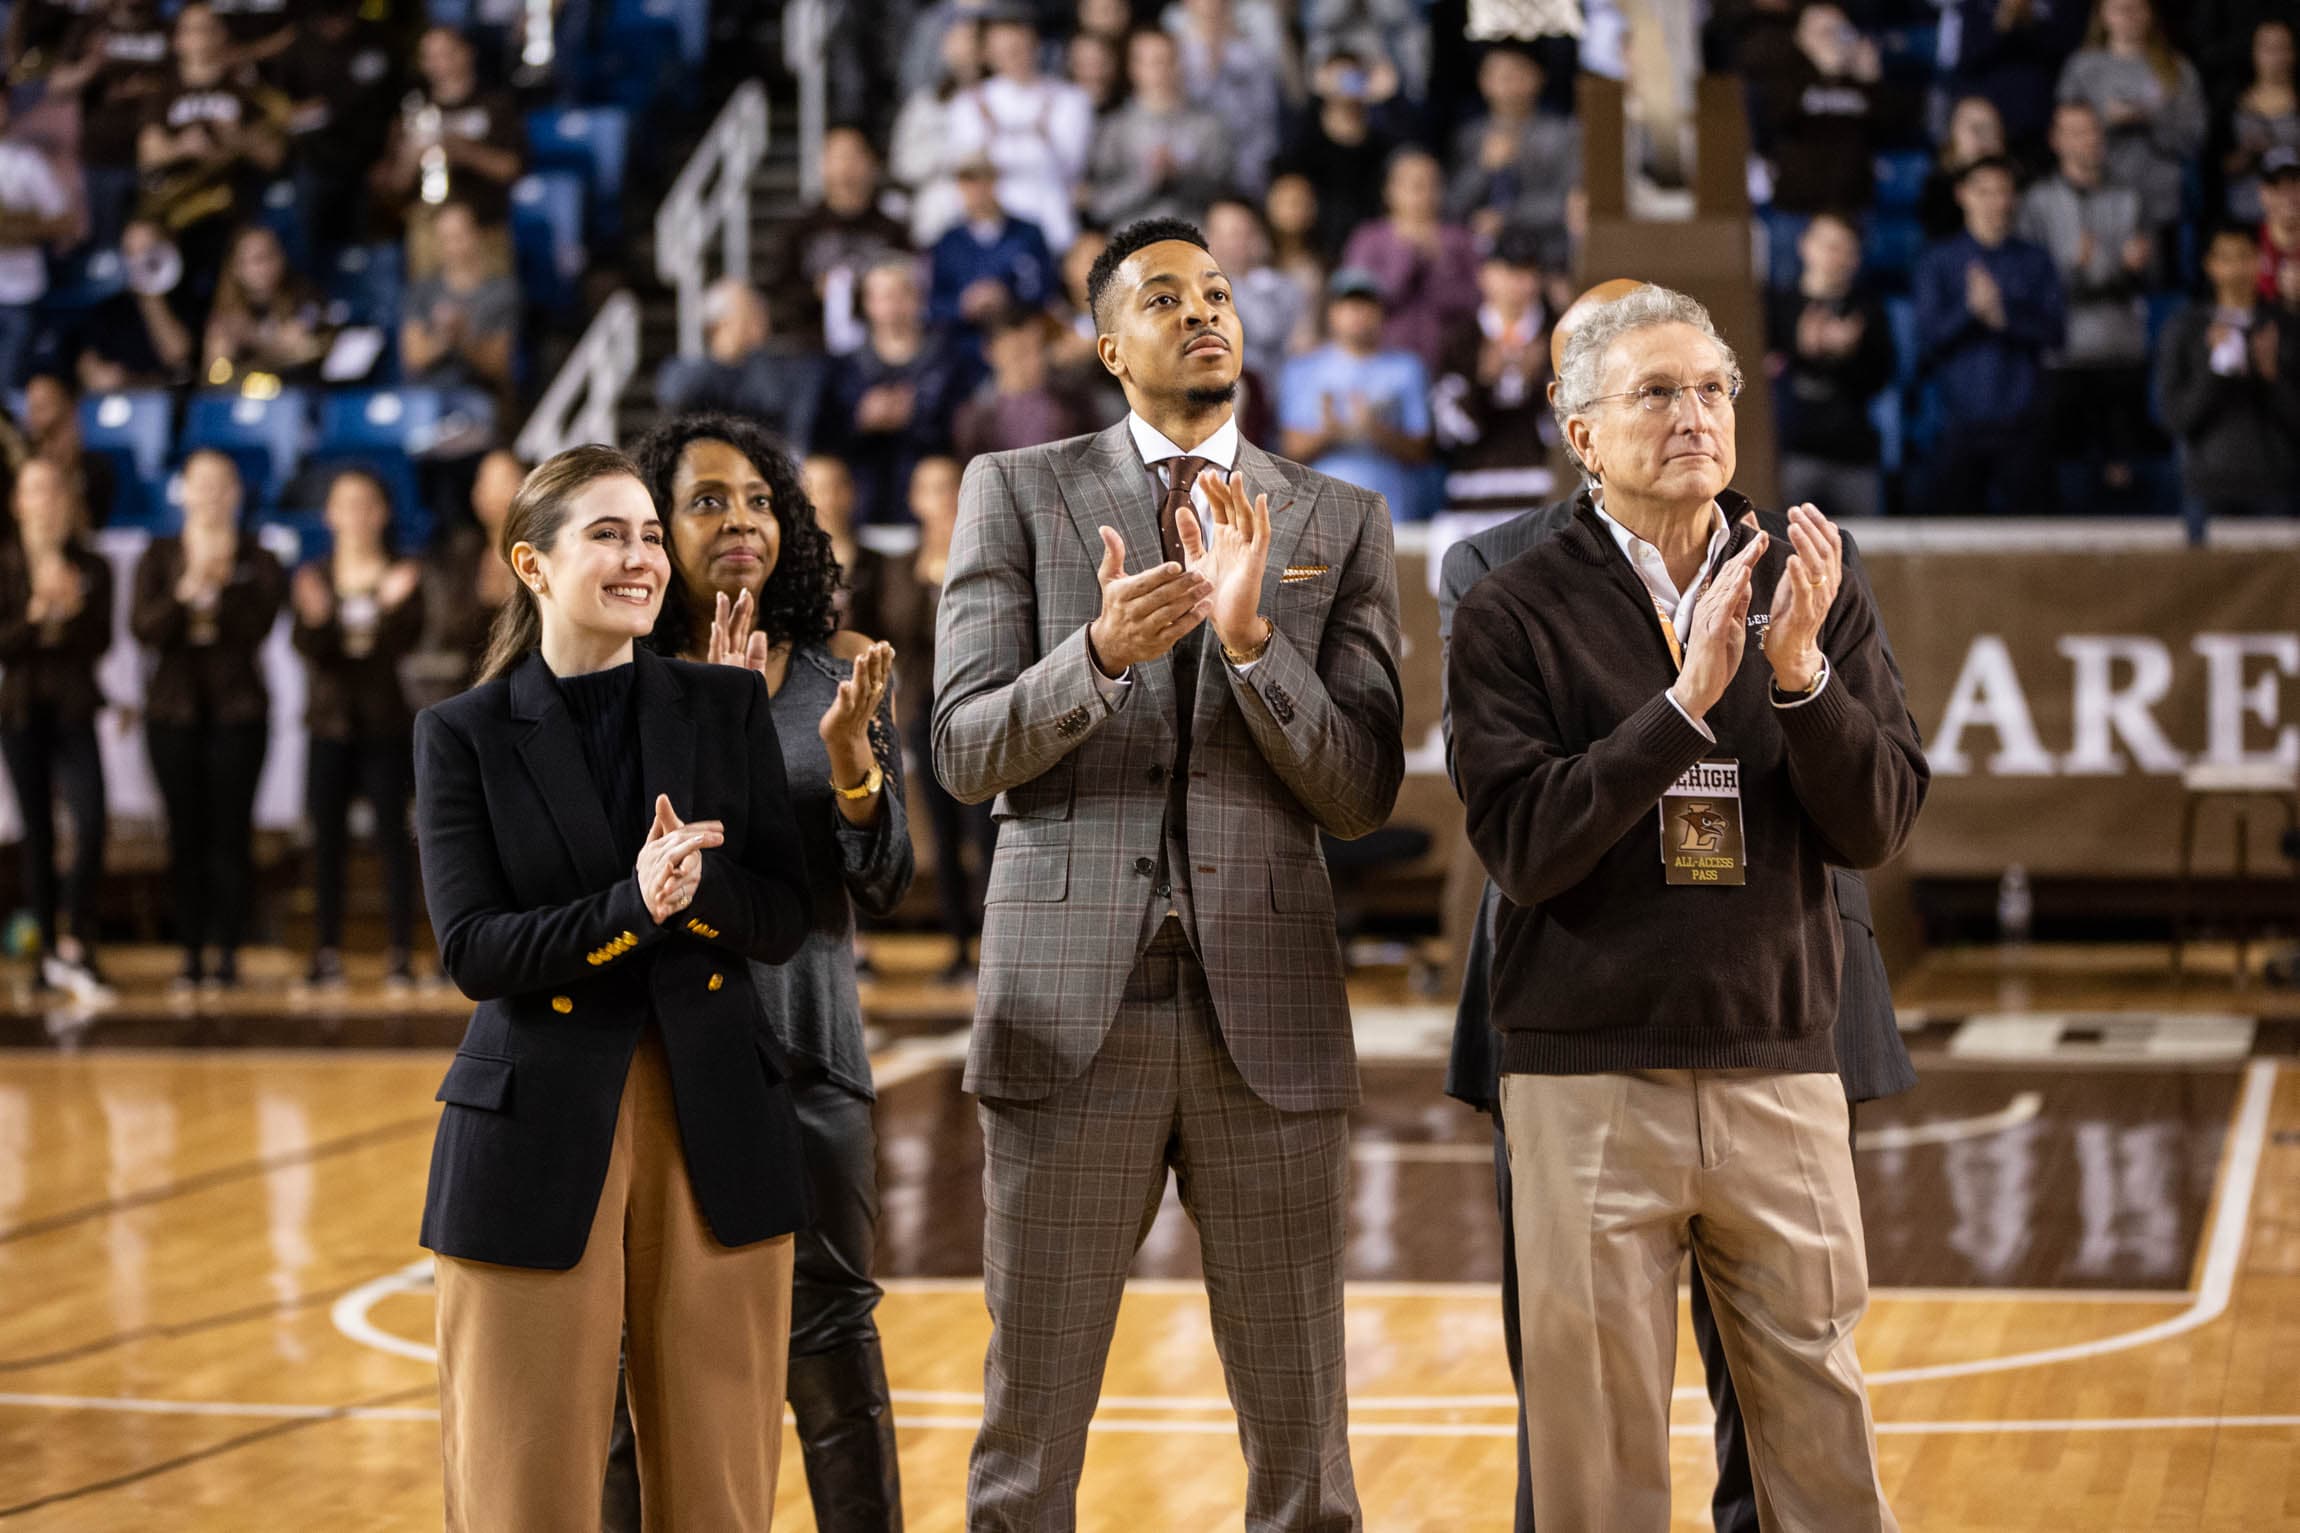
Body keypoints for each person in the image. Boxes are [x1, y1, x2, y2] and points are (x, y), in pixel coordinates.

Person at [934, 214, 1403, 1532]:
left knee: (1306, 1456)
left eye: (1217, 293)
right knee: (1028, 1442)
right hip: (1068, 1014)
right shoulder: (1013, 490)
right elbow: (961, 750)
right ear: (1107, 347)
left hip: (1271, 1014)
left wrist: (1253, 645)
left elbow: (1359, 792)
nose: (1201, 313)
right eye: (1162, 297)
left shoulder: (1340, 519)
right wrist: (1093, 656)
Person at [1440, 276, 1922, 1533]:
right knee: (1595, 1468)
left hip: (1778, 1060)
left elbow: (1876, 821)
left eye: (1711, 388)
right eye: (1654, 392)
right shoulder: (1507, 605)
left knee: (1820, 1456)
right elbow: (1524, 846)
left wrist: (1800, 679)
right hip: (1587, 1073)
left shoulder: (1809, 576)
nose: (1694, 415)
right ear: (1581, 432)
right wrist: (1680, 710)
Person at [413, 444, 814, 1532]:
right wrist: (630, 908)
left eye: (648, 535)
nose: (641, 558)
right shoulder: (460, 734)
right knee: (519, 1494)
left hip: (715, 1119)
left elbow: (783, 915)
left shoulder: (724, 705)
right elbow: (476, 951)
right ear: (532, 564)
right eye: (607, 535)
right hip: (532, 1126)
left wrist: (694, 893)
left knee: (722, 1499)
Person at [593, 414, 913, 1533]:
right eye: (707, 501)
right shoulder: (612, 683)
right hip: (655, 1062)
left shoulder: (838, 671)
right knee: (630, 1351)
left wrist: (855, 771)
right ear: (651, 531)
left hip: (807, 1050)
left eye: (760, 501)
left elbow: (886, 882)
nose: (741, 522)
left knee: (829, 1339)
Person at [131, 449, 285, 991]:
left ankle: (228, 953)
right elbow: (145, 630)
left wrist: (224, 588)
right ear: (184, 491)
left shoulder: (258, 556)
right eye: (202, 483)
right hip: (172, 713)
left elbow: (259, 627)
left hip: (238, 712)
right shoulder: (159, 555)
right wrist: (188, 588)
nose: (212, 494)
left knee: (231, 833)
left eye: (223, 483)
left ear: (236, 493)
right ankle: (190, 952)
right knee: (184, 833)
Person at [291, 469, 425, 990]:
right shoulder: (314, 576)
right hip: (328, 724)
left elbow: (404, 642)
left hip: (384, 724)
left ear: (382, 513)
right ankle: (326, 951)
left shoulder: (403, 573)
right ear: (329, 514)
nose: (356, 514)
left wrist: (384, 610)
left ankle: (401, 953)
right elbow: (312, 650)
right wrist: (321, 620)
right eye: (344, 503)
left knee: (394, 840)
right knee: (326, 841)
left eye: (366, 503)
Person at [0, 459, 115, 1002]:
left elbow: (102, 642)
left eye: (55, 491)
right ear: (18, 503)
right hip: (21, 712)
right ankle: (47, 951)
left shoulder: (92, 564)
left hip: (74, 711)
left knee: (91, 822)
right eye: (36, 491)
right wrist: (35, 613)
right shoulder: (5, 563)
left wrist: (71, 611)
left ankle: (78, 940)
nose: (46, 502)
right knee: (37, 833)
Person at [2019, 99, 2158, 503]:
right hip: (2063, 355)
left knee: (2123, 482)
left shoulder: (2130, 197)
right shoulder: (2037, 202)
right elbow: (2029, 286)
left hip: (2121, 351)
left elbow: (2156, 276)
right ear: (2056, 140)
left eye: (2094, 130)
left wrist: (2137, 268)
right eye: (2077, 132)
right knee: (2063, 476)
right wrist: (2074, 269)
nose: (2089, 140)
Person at [1915, 156, 2067, 513]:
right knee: (1952, 529)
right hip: (1957, 423)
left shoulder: (2035, 260)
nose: (1994, 201)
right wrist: (1970, 312)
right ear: (1962, 195)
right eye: (1983, 192)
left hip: (2022, 424)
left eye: (2002, 192)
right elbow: (1928, 339)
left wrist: (2003, 317)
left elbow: (2056, 333)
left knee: (2032, 529)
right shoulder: (1938, 260)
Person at [135, 1, 289, 300]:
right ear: (178, 40)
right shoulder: (164, 90)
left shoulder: (245, 91)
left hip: (233, 213)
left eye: (207, 29)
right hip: (176, 213)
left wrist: (240, 138)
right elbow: (147, 153)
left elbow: (275, 157)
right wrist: (182, 146)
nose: (200, 38)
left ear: (222, 35)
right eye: (192, 30)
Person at [2159, 222, 2300, 529]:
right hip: (2209, 487)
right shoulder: (2186, 329)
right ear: (2210, 265)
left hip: (2275, 487)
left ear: (2259, 261)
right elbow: (2175, 418)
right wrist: (2214, 372)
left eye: (2245, 256)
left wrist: (2271, 375)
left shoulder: (2285, 327)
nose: (2236, 268)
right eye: (2227, 258)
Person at [824, 257, 972, 526]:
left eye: (899, 294)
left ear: (917, 299)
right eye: (882, 296)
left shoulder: (947, 359)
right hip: (864, 492)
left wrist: (915, 415)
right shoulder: (847, 365)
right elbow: (829, 434)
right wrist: (861, 419)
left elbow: (961, 429)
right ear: (868, 303)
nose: (891, 306)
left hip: (932, 496)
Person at [1279, 267, 1435, 522]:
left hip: (1391, 511)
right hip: (1322, 514)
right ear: (1332, 313)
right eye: (1349, 305)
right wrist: (1330, 433)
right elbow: (1289, 448)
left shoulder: (1407, 368)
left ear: (1381, 313)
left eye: (1367, 305)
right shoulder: (1302, 369)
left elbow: (1421, 450)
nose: (1359, 313)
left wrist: (1376, 430)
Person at [1767, 211, 1896, 519]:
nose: (1834, 256)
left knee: (1862, 546)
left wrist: (1844, 356)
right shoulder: (1776, 305)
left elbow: (1881, 379)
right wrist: (1803, 351)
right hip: (1791, 451)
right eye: (1828, 245)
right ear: (1805, 245)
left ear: (1856, 258)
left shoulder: (1867, 310)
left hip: (1853, 456)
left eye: (1844, 248)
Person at [943, 9, 1094, 252]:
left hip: (1052, 221)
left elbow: (1071, 167)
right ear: (988, 53)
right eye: (1005, 51)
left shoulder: (1071, 98)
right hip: (993, 227)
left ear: (1036, 44)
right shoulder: (967, 103)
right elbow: (969, 168)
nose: (1014, 57)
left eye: (1020, 48)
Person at [1433, 232, 1558, 518]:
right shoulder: (1461, 340)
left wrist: (1541, 386)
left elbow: (1574, 430)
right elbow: (1448, 431)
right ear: (1485, 276)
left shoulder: (1559, 335)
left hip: (1542, 492)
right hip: (1471, 494)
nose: (1517, 282)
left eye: (1526, 271)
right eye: (1507, 270)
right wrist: (1483, 382)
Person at [373, 25, 523, 260]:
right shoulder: (412, 113)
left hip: (485, 225)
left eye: (447, 53)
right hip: (429, 228)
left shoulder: (496, 105)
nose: (440, 64)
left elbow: (512, 169)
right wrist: (410, 156)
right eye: (430, 57)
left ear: (467, 52)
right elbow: (394, 187)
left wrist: (465, 151)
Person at [2057, 0, 2207, 234]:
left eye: (2136, 7)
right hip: (2097, 199)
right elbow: (2063, 134)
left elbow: (2194, 136)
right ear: (2102, 14)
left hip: (2162, 200)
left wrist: (2151, 120)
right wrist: (2104, 122)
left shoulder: (2177, 68)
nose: (2128, 16)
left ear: (2150, 13)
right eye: (2119, 8)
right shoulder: (2082, 68)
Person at [1749, 1, 1905, 216]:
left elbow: (1890, 132)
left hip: (1852, 207)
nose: (1831, 39)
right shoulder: (1785, 78)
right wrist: (1822, 73)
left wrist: (1873, 83)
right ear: (1801, 38)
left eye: (1837, 31)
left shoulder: (1864, 80)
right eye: (1822, 32)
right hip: (1796, 206)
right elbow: (1775, 122)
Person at [1339, 147, 1481, 373]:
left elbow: (1476, 300)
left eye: (1432, 184)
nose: (1423, 193)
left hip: (1449, 361)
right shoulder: (1368, 239)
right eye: (1414, 185)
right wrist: (1407, 257)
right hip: (1383, 363)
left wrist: (1439, 267)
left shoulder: (1459, 239)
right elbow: (1361, 300)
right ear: (1390, 190)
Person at [773, 125, 915, 350]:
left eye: (853, 156)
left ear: (872, 163)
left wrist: (868, 293)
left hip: (878, 350)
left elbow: (912, 287)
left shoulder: (893, 231)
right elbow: (780, 290)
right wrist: (816, 291)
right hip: (812, 344)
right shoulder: (799, 230)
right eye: (837, 157)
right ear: (823, 164)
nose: (845, 166)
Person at [1444, 42, 1581, 270]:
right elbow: (1451, 205)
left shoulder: (1562, 134)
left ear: (1538, 77)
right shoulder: (1469, 136)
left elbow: (1567, 204)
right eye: (1498, 74)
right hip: (1476, 260)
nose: (1507, 83)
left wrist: (1506, 217)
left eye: (1516, 73)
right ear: (1483, 81)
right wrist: (1483, 167)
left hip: (1545, 255)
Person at [657, 280, 827, 450]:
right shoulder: (684, 371)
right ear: (719, 323)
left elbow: (788, 415)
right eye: (748, 314)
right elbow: (676, 396)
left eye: (760, 313)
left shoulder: (777, 371)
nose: (760, 322)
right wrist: (728, 353)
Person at [1086, 28, 1229, 229]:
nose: (1160, 70)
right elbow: (1099, 204)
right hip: (1132, 239)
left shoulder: (1207, 126)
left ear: (1180, 64)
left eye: (1167, 60)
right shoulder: (1114, 128)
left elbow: (1223, 197)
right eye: (1151, 62)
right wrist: (1147, 181)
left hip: (1192, 238)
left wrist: (1180, 176)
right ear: (1133, 68)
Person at [928, 154, 1057, 344]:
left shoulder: (1027, 234)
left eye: (983, 179)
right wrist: (963, 305)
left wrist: (1007, 297)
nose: (977, 189)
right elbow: (934, 304)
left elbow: (1046, 289)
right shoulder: (948, 243)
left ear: (995, 182)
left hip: (1018, 337)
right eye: (969, 181)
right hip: (965, 343)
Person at [399, 200, 521, 400]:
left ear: (476, 234)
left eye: (459, 236)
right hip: (428, 394)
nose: (453, 247)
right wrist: (444, 338)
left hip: (478, 395)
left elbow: (498, 366)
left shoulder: (502, 291)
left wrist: (463, 338)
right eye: (445, 239)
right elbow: (413, 358)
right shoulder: (422, 289)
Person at [1287, 50, 1400, 262]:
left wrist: (1390, 101)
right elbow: (1290, 170)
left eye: (1354, 77)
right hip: (1318, 241)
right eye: (1339, 78)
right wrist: (1316, 97)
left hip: (1370, 242)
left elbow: (1410, 153)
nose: (1346, 87)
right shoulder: (1307, 135)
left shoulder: (1381, 139)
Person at [0, 89, 73, 394]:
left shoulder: (27, 161)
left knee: (8, 388)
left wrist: (14, 226)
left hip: (20, 292)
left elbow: (64, 222)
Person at [201, 223, 335, 386]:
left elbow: (295, 345)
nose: (266, 267)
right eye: (256, 260)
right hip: (246, 395)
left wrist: (252, 338)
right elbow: (214, 376)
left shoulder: (305, 297)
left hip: (297, 387)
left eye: (271, 255)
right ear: (236, 267)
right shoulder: (225, 315)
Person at [432, 447, 521, 692]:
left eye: (506, 480)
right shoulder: (459, 557)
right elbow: (448, 631)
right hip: (470, 688)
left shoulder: (548, 556)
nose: (497, 493)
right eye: (486, 482)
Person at [1172, 0, 1283, 194]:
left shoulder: (1250, 53)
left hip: (1246, 164)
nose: (1210, 5)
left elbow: (1265, 111)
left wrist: (1260, 159)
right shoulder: (1175, 54)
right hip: (1195, 166)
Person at [1203, 195, 1310, 390]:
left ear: (1258, 236)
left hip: (1275, 392)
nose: (1232, 243)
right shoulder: (1192, 291)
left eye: (1239, 233)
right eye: (1224, 234)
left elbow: (1281, 336)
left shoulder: (1286, 289)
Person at [956, 310, 1087, 460]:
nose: (1033, 361)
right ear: (990, 352)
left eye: (1037, 349)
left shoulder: (1073, 400)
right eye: (1018, 353)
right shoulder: (974, 419)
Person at [17, 374, 119, 530]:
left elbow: (88, 526)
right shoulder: (22, 466)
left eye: (43, 405)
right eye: (32, 407)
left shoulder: (96, 468)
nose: (33, 416)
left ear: (68, 407)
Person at [2226, 19, 2300, 222]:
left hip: (2294, 215)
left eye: (2282, 48)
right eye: (2268, 49)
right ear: (2253, 52)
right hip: (2247, 211)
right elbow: (2217, 165)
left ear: (2294, 52)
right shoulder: (2232, 102)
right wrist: (2247, 153)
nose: (2276, 57)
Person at [1919, 94, 2012, 241]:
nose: (1981, 136)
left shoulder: (2020, 182)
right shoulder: (1937, 187)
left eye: (1988, 127)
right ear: (1952, 135)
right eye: (1973, 128)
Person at [2260, 145, 2300, 305]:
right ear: (2263, 193)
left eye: (2295, 182)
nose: (2288, 194)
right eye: (2276, 185)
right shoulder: (2248, 241)